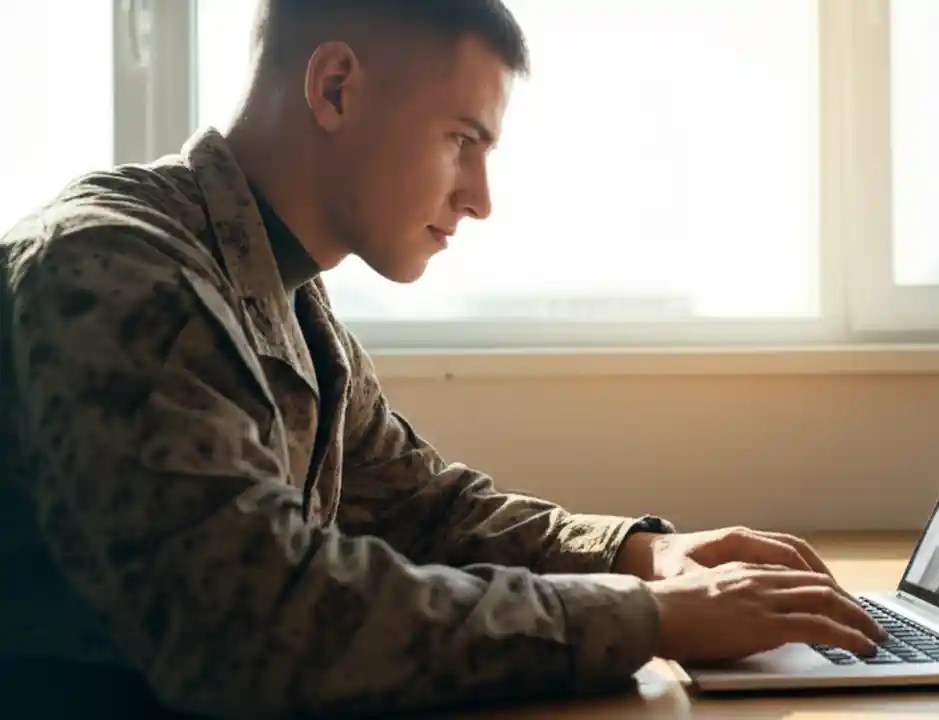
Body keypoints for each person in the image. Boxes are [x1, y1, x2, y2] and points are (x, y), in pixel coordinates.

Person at [0, 0, 884, 715]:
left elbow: (420, 506)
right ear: (336, 87)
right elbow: (258, 628)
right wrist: (650, 617)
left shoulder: (283, 289)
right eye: (464, 139)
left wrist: (641, 553)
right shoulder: (119, 270)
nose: (481, 199)